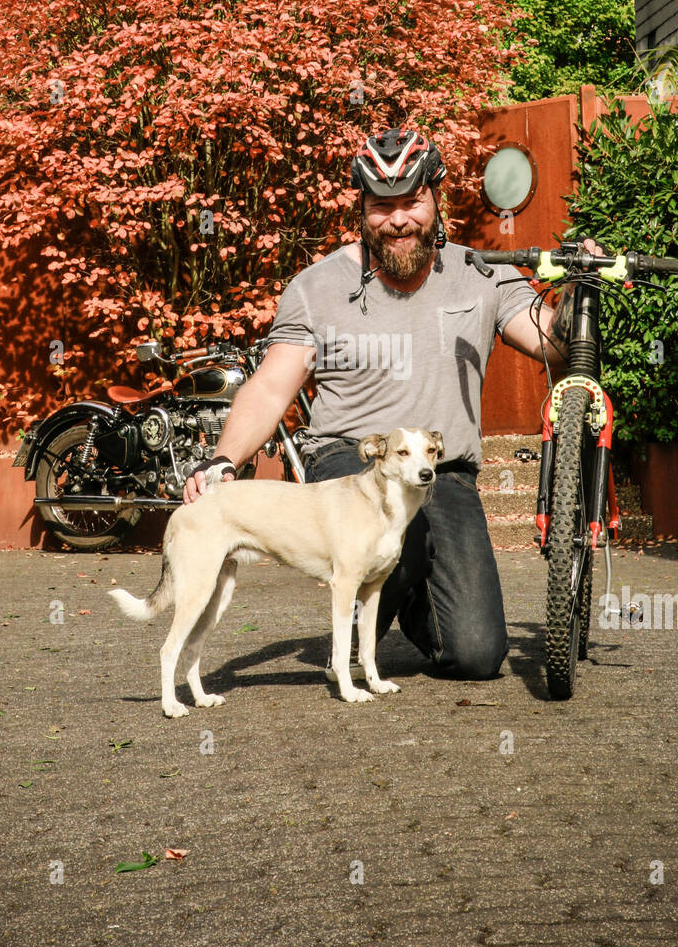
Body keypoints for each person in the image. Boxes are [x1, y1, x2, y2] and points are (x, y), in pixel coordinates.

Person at [183, 125, 584, 682]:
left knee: (475, 654)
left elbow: (550, 343)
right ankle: (364, 621)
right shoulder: (316, 286)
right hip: (350, 461)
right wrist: (222, 460)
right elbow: (272, 387)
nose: (398, 220)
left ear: (436, 198)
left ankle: (404, 585)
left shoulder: (482, 275)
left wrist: (580, 296)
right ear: (362, 209)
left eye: (411, 202)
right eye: (381, 206)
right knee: (393, 517)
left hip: (441, 472)